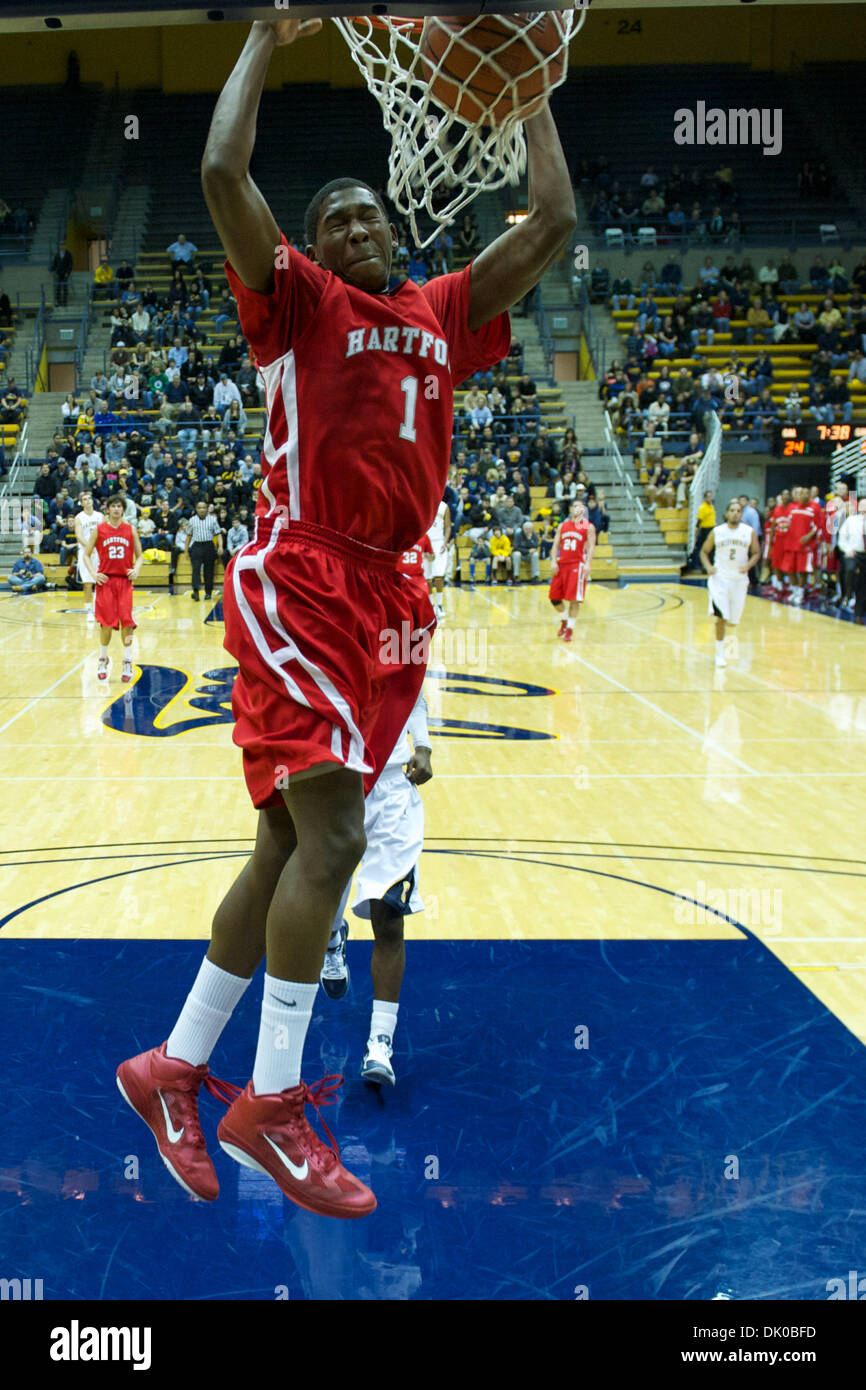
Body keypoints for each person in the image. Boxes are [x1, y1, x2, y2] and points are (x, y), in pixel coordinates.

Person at [115, 12, 574, 1221]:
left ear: (396, 227)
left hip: (393, 599)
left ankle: (172, 1067)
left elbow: (556, 222)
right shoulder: (299, 304)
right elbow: (222, 171)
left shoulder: (440, 311)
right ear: (308, 250)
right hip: (301, 577)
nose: (356, 228)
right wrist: (267, 35)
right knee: (332, 848)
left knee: (283, 847)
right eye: (333, 222)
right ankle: (268, 1104)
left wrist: (528, 89)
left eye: (370, 214)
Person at [320, 686, 432, 1086]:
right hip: (333, 779)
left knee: (389, 918)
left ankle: (380, 1043)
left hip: (391, 786)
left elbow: (411, 682)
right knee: (322, 904)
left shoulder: (404, 624)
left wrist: (422, 743)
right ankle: (333, 937)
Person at [83, 493, 142, 683]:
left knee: (127, 623)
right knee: (106, 624)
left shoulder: (130, 529)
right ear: (107, 509)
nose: (116, 509)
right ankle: (102, 659)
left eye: (119, 506)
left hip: (124, 582)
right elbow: (86, 554)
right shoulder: (99, 530)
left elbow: (140, 555)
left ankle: (127, 660)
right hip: (105, 582)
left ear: (123, 509)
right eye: (113, 506)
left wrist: (137, 569)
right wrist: (93, 573)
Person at [700, 498, 760, 667]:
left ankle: (729, 650)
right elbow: (704, 552)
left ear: (741, 514)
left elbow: (756, 552)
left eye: (738, 511)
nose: (735, 513)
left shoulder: (749, 532)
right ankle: (720, 654)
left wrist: (748, 565)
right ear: (726, 513)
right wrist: (708, 567)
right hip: (720, 580)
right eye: (732, 510)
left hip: (739, 581)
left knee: (733, 621)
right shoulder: (717, 532)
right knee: (721, 618)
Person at [549, 499, 595, 642]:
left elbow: (591, 547)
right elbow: (555, 545)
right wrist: (553, 560)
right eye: (574, 506)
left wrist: (588, 564)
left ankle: (570, 629)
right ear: (571, 509)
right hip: (562, 564)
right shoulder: (563, 525)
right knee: (554, 598)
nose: (576, 508)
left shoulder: (588, 527)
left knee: (573, 600)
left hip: (577, 565)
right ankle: (564, 620)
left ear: (584, 509)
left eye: (579, 506)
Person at [73, 490, 104, 615]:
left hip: (99, 552)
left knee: (99, 580)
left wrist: (98, 548)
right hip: (85, 552)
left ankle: (98, 606)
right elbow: (79, 536)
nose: (88, 500)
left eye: (89, 498)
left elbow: (104, 533)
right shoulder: (79, 517)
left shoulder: (100, 516)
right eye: (85, 499)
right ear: (81, 503)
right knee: (87, 582)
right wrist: (90, 547)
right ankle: (88, 608)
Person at [423, 491, 452, 621]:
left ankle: (440, 605)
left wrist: (445, 542)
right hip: (425, 543)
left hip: (439, 543)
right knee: (427, 578)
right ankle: (431, 605)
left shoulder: (444, 506)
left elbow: (448, 527)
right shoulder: (424, 505)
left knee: (439, 576)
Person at [50, 242, 73, 307]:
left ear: (65, 246)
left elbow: (70, 264)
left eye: (63, 245)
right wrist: (52, 270)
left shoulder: (68, 254)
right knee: (58, 288)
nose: (62, 247)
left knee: (65, 288)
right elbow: (54, 264)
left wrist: (68, 273)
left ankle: (64, 302)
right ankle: (58, 302)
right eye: (61, 245)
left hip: (65, 274)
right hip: (59, 273)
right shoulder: (57, 254)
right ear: (59, 247)